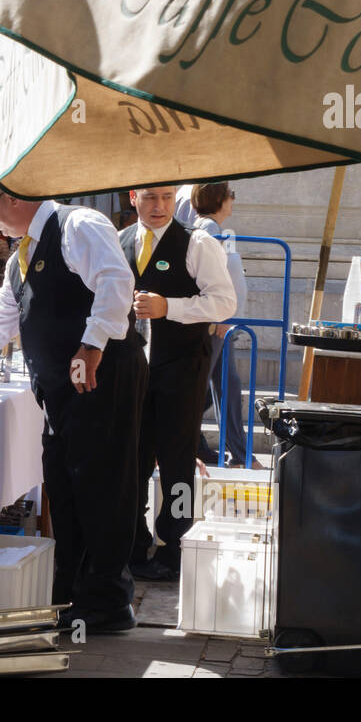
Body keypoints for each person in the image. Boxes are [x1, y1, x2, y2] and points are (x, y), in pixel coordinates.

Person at [0, 188, 146, 633]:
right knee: (65, 486)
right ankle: (71, 591)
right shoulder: (22, 255)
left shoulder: (78, 225)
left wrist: (92, 344)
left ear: (14, 200)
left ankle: (108, 601)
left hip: (102, 376)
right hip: (60, 389)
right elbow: (2, 317)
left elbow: (117, 282)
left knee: (103, 485)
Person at [121, 185, 236, 582]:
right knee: (132, 458)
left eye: (168, 197)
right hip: (134, 370)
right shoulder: (120, 242)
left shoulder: (197, 243)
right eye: (151, 197)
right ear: (133, 197)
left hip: (183, 369)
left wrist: (170, 307)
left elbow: (224, 303)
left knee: (177, 462)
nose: (160, 206)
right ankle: (133, 546)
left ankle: (175, 548)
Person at [192, 182, 249, 467]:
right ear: (218, 199)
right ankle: (176, 433)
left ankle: (240, 456)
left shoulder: (214, 230)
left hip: (222, 324)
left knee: (228, 387)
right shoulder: (209, 231)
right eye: (231, 195)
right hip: (216, 324)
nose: (234, 200)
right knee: (202, 389)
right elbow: (211, 277)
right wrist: (220, 318)